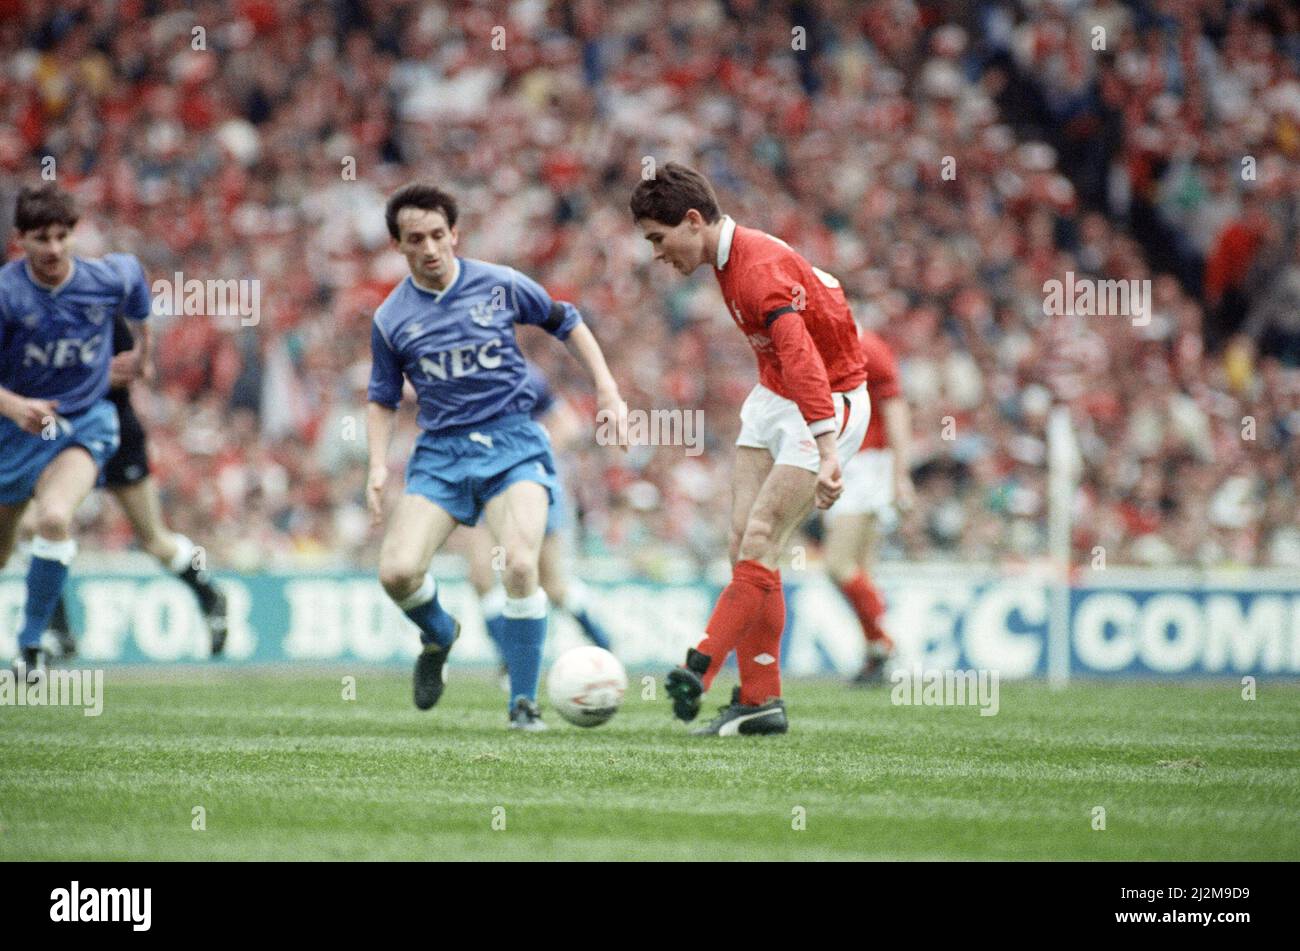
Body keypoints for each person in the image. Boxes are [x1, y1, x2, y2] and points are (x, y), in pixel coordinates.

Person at [366, 183, 625, 731]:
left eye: (439, 235)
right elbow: (382, 399)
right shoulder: (391, 319)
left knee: (523, 565)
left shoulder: (500, 284)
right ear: (399, 246)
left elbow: (567, 320)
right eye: (417, 239)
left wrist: (607, 389)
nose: (432, 248)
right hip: (441, 454)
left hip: (513, 444)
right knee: (396, 572)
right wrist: (374, 465)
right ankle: (439, 634)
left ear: (454, 234)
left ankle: (522, 704)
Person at [630, 163, 868, 736]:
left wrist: (828, 448)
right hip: (773, 396)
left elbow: (807, 358)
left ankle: (701, 666)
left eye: (658, 240)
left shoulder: (757, 269)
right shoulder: (730, 258)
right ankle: (761, 701)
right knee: (744, 543)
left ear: (693, 221)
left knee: (762, 537)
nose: (657, 255)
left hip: (825, 400)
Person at [21, 310, 229, 659]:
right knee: (39, 524)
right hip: (58, 436)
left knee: (153, 540)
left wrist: (60, 380)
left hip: (114, 432)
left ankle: (209, 594)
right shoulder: (20, 308)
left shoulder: (94, 304)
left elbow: (130, 370)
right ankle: (59, 630)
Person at [0, 184, 145, 678]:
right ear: (20, 240)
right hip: (14, 433)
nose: (55, 248)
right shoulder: (5, 294)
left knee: (56, 518)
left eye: (64, 236)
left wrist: (140, 352)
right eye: (42, 238)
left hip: (82, 421)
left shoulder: (107, 276)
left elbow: (138, 290)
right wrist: (15, 405)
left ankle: (31, 646)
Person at [465, 361, 614, 681]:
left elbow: (569, 425)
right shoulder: (453, 372)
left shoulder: (522, 374)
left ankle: (602, 641)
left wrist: (529, 458)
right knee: (481, 575)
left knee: (552, 585)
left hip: (527, 487)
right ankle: (509, 660)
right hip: (481, 486)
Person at [822, 329, 913, 684]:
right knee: (860, 567)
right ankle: (876, 652)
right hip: (850, 461)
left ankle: (885, 643)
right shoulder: (825, 341)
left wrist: (899, 474)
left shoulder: (867, 346)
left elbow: (895, 406)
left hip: (868, 464)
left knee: (837, 563)